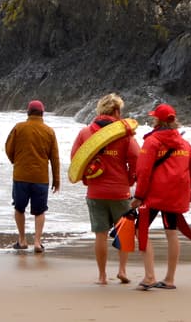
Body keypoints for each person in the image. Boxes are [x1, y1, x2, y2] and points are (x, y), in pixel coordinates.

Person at [71, 92, 140, 285]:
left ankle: (102, 276)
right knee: (124, 232)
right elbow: (136, 158)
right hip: (120, 191)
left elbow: (76, 161)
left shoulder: (85, 133)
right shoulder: (125, 134)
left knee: (100, 234)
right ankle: (122, 270)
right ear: (117, 111)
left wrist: (87, 178)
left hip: (95, 192)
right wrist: (130, 179)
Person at [130, 103, 191, 291]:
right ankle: (169, 279)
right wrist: (185, 188)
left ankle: (150, 276)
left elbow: (143, 172)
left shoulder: (152, 142)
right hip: (174, 195)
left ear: (157, 120)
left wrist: (139, 196)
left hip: (153, 195)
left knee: (140, 229)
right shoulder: (185, 144)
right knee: (171, 232)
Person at [4, 99, 60, 253]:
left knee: (19, 208)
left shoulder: (19, 128)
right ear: (42, 113)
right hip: (40, 178)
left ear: (28, 113)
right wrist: (57, 179)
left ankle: (22, 240)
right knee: (40, 211)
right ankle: (37, 242)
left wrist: (16, 161)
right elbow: (54, 158)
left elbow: (8, 148)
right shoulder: (49, 131)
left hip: (21, 176)